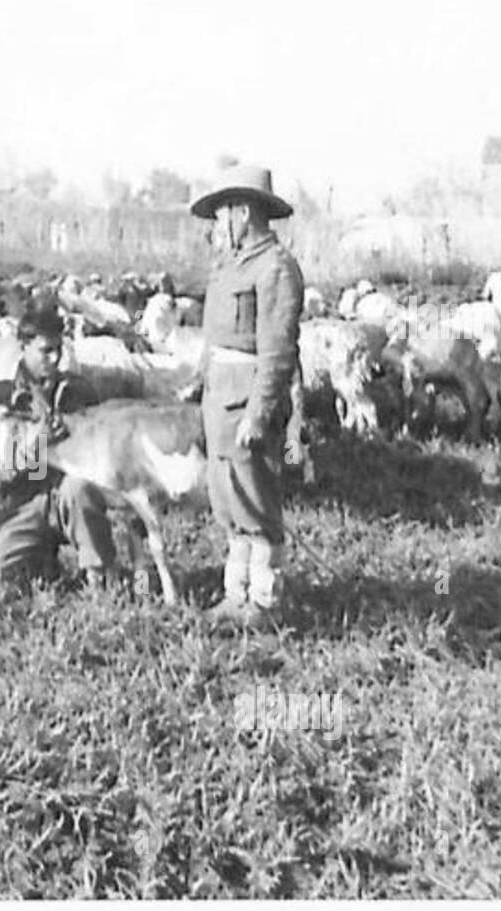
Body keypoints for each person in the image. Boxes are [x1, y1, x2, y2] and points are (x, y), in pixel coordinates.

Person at [191, 163, 304, 630]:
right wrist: (199, 380)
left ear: (243, 212)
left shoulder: (275, 268)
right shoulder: (228, 267)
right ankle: (234, 595)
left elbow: (277, 352)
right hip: (219, 398)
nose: (218, 226)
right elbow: (215, 338)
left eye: (222, 215)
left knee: (256, 501)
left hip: (246, 402)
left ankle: (265, 601)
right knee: (227, 499)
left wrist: (259, 415)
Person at [0, 305, 117, 586]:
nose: (54, 359)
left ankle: (101, 578)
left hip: (70, 495)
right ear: (23, 346)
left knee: (79, 487)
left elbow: (102, 453)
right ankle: (42, 566)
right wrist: (34, 445)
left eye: (58, 350)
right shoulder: (0, 398)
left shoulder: (79, 391)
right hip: (22, 502)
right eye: (45, 351)